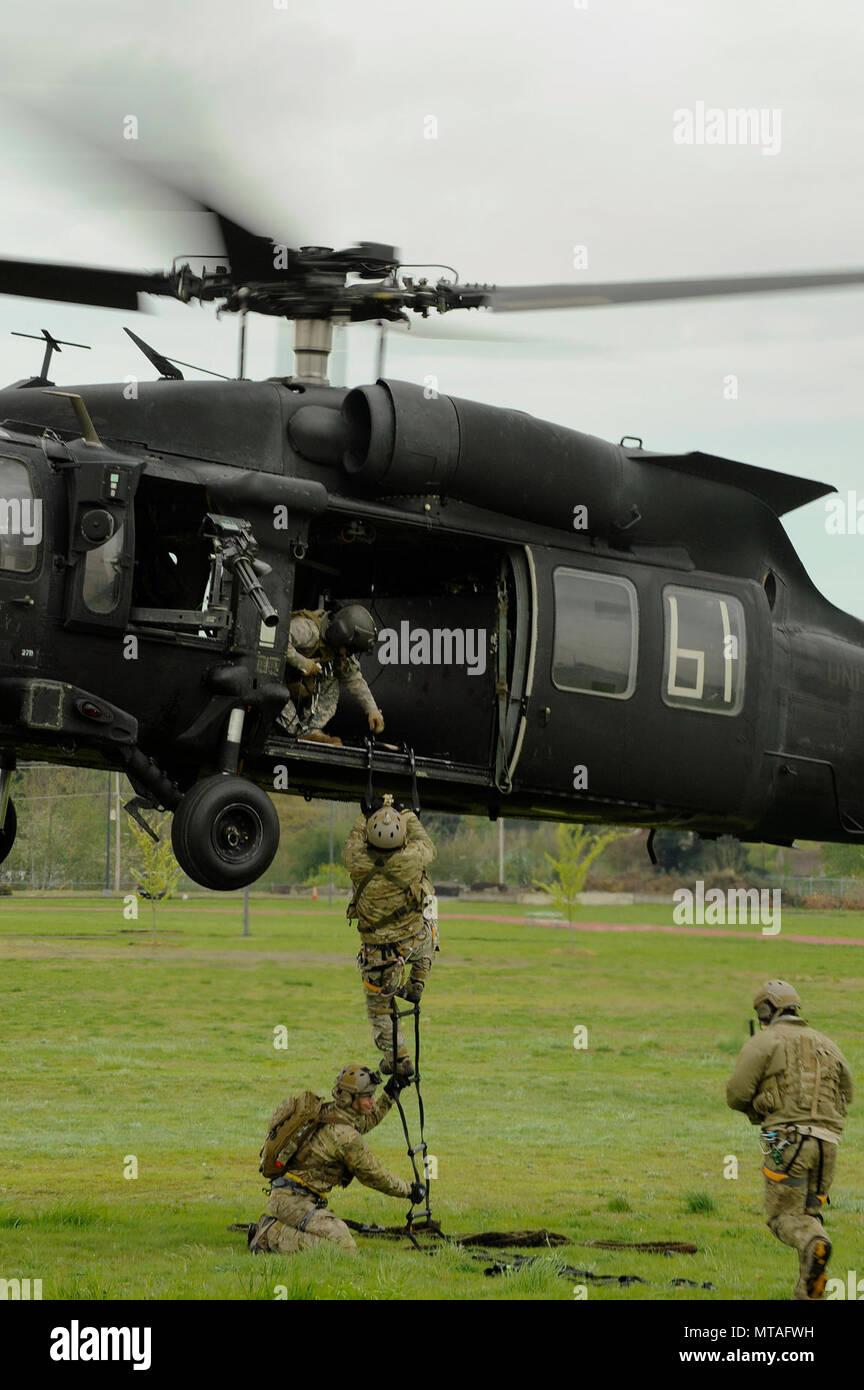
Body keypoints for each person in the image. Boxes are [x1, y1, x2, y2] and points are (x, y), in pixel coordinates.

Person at [726, 979, 854, 1300]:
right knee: (809, 1218)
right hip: (829, 1144)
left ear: (767, 1009)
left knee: (784, 1217)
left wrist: (761, 1106)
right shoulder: (828, 1043)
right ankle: (809, 1294)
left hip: (789, 1143)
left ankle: (815, 1246)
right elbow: (847, 1092)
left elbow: (736, 1094)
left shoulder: (766, 1041)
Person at [249, 1064, 422, 1255]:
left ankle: (277, 1228)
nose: (372, 1100)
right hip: (294, 1201)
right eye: (367, 1096)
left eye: (373, 1095)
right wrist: (409, 1190)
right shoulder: (346, 1138)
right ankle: (269, 1234)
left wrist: (389, 1095)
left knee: (337, 1239)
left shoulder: (332, 1111)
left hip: (290, 1197)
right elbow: (373, 1175)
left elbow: (364, 1122)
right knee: (344, 1248)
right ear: (349, 1097)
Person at [343, 797, 437, 1075]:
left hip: (378, 955)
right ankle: (417, 982)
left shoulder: (356, 860)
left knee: (380, 1009)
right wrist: (407, 814)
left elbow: (352, 843)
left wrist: (365, 815)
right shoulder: (412, 859)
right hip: (414, 943)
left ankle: (398, 1058)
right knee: (431, 917)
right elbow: (428, 845)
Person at [277, 603, 384, 745]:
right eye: (349, 649)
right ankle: (294, 730)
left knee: (332, 678)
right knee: (269, 675)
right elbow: (278, 640)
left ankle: (309, 732)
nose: (348, 654)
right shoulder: (309, 630)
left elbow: (353, 678)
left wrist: (372, 709)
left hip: (297, 684)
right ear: (340, 634)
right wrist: (302, 662)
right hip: (275, 681)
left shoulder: (339, 649)